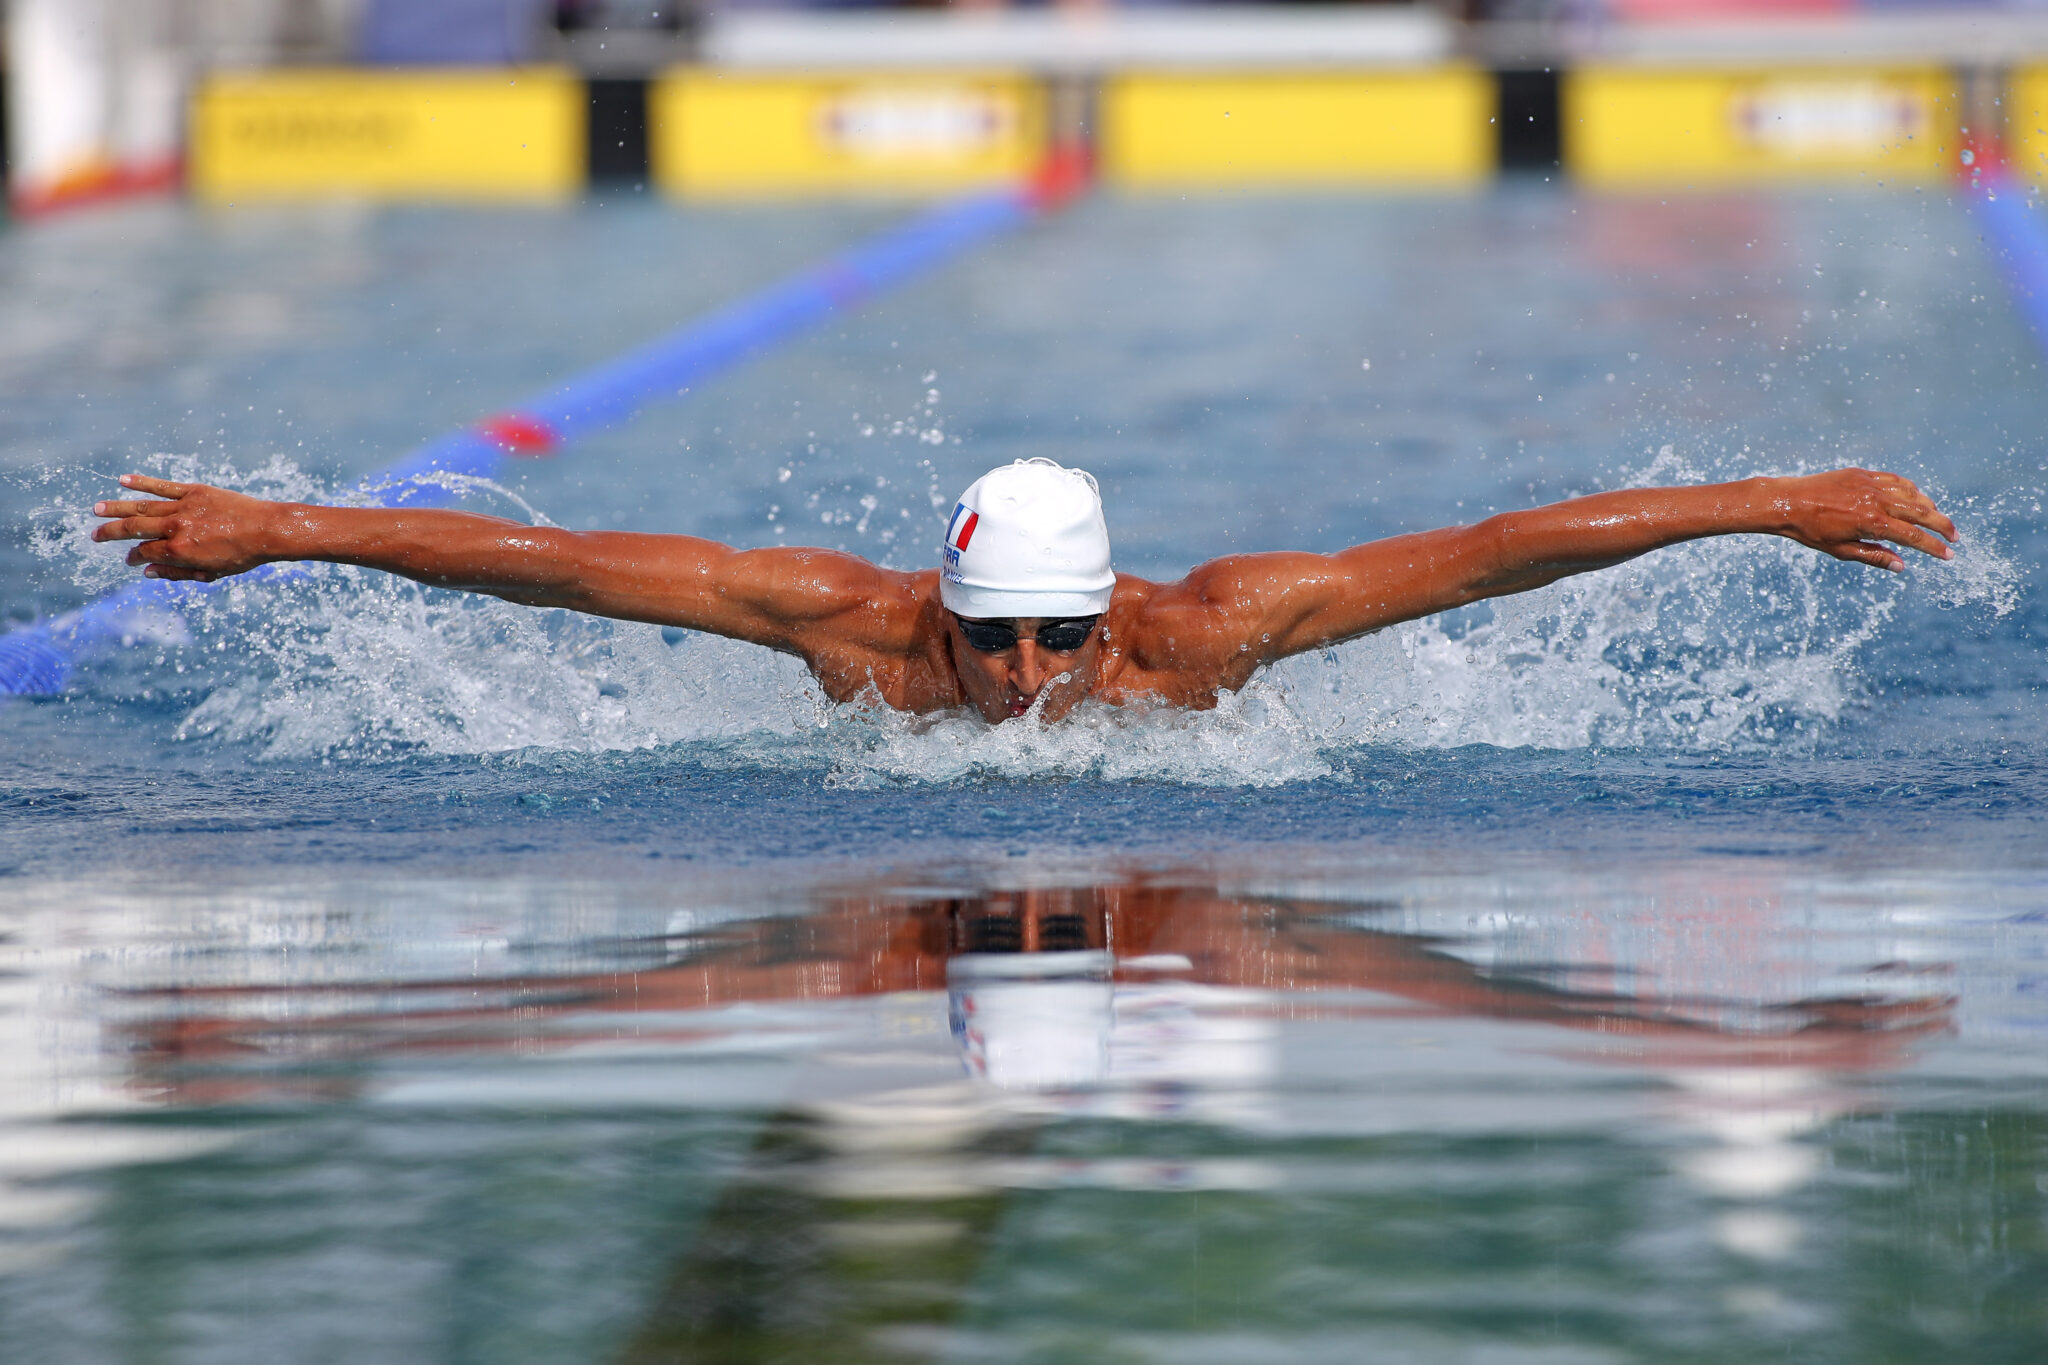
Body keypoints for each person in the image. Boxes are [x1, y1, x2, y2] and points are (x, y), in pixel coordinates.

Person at [89, 457, 1956, 724]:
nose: (1035, 676)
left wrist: (1774, 501)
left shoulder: (1207, 633)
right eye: (1001, 638)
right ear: (948, 607)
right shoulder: (857, 626)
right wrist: (288, 525)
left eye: (1064, 634)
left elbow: (1500, 551)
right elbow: (556, 569)